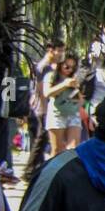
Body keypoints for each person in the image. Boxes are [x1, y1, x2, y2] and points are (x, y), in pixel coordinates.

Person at [24, 39, 64, 180]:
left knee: (40, 140)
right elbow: (41, 90)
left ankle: (35, 170)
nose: (61, 54)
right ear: (50, 50)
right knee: (40, 140)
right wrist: (45, 110)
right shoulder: (43, 67)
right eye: (59, 50)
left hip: (40, 108)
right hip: (40, 109)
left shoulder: (48, 67)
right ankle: (29, 171)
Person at [43, 52, 83, 157]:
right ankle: (51, 172)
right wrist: (64, 84)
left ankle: (69, 172)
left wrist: (76, 92)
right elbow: (47, 93)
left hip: (73, 113)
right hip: (56, 114)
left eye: (73, 68)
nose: (69, 70)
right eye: (67, 67)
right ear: (60, 64)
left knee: (73, 149)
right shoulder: (50, 76)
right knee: (57, 150)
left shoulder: (74, 78)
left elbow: (81, 99)